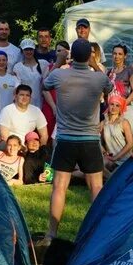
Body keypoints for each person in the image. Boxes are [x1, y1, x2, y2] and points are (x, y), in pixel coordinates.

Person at [42, 39, 113, 243]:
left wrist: (58, 61)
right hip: (90, 140)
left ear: (71, 55)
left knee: (59, 187)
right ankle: (100, 234)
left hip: (65, 139)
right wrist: (93, 63)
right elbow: (108, 88)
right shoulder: (98, 78)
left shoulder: (59, 74)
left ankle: (51, 234)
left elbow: (45, 84)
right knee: (96, 188)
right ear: (89, 55)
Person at [99, 94, 133, 172]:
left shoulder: (124, 122)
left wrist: (115, 158)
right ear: (108, 105)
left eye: (117, 105)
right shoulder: (104, 123)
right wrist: (105, 153)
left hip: (123, 161)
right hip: (109, 159)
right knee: (93, 165)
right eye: (112, 104)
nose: (114, 107)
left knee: (96, 167)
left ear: (121, 108)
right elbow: (99, 141)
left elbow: (130, 144)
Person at [108, 43, 133, 126]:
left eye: (120, 54)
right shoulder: (109, 72)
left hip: (126, 109)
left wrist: (122, 105)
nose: (117, 56)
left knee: (125, 135)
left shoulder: (129, 70)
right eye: (115, 54)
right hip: (112, 109)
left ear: (125, 56)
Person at [12, 39, 47, 107]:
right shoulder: (18, 67)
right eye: (26, 49)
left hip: (41, 103)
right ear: (22, 51)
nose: (29, 51)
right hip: (24, 104)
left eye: (31, 49)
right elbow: (16, 87)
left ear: (34, 50)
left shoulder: (43, 64)